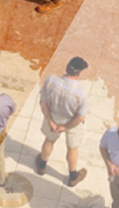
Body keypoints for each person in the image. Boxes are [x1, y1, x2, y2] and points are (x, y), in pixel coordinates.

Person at [36, 56, 89, 187]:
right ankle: (72, 177)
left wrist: (50, 121)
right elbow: (80, 117)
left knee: (49, 140)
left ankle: (42, 166)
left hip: (53, 117)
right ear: (79, 73)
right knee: (72, 148)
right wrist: (65, 127)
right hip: (72, 123)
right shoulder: (81, 93)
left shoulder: (51, 81)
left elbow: (43, 102)